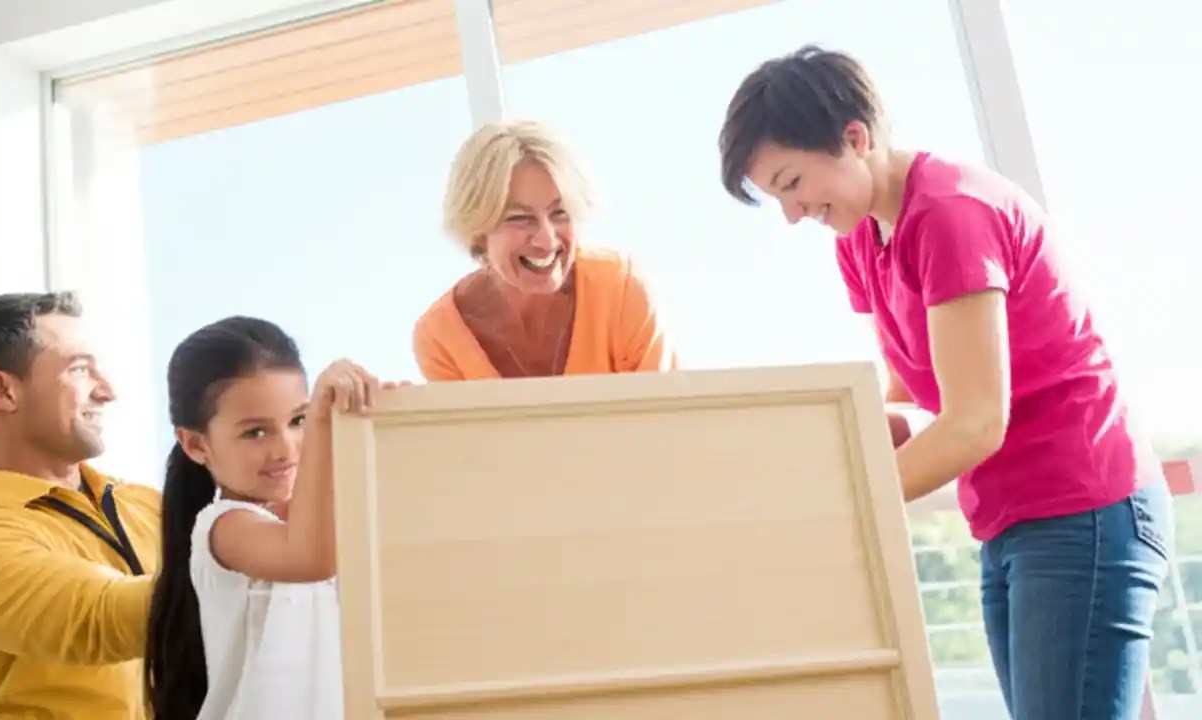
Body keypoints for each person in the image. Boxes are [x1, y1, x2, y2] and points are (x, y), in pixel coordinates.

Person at [718, 45, 1173, 719]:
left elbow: (973, 422)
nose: (791, 213)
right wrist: (801, 452)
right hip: (1010, 518)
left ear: (854, 138)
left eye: (791, 183)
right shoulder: (859, 239)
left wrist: (836, 505)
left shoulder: (951, 213)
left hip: (1084, 506)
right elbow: (908, 395)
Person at [144, 316, 400, 719]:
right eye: (256, 433)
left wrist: (384, 423)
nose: (287, 449)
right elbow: (309, 559)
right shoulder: (223, 526)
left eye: (298, 421)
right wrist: (321, 423)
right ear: (196, 445)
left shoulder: (317, 519)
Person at [0, 292, 161, 719]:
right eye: (79, 369)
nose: (107, 392)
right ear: (2, 390)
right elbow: (108, 618)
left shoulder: (146, 504)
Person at [413, 119, 676, 380]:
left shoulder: (622, 291)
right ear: (478, 230)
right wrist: (396, 402)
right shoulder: (440, 338)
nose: (547, 241)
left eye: (560, 213)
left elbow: (659, 406)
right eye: (519, 218)